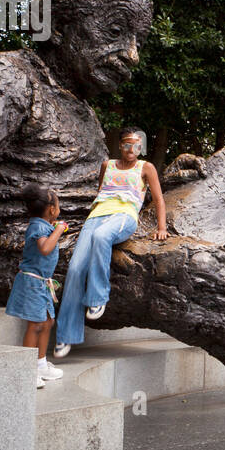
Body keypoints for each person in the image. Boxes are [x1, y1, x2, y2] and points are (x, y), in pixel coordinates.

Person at [55, 127, 167, 355]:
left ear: (140, 147)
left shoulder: (146, 168)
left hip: (124, 216)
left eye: (136, 145)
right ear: (120, 145)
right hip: (96, 216)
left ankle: (98, 297)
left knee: (101, 236)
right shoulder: (107, 165)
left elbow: (158, 199)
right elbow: (101, 193)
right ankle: (66, 334)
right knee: (75, 269)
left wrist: (162, 228)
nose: (131, 149)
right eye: (127, 144)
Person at [4, 185, 68, 388]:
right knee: (35, 324)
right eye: (58, 205)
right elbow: (45, 248)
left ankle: (40, 364)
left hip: (42, 283)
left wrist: (55, 229)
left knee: (48, 322)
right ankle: (27, 369)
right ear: (51, 209)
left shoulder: (43, 226)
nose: (59, 208)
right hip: (32, 283)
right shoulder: (37, 226)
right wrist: (58, 230)